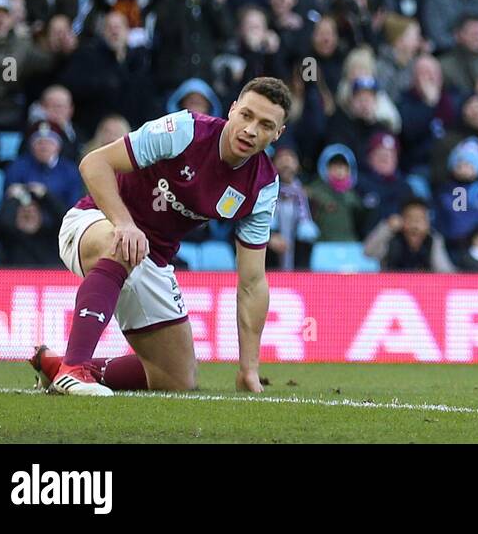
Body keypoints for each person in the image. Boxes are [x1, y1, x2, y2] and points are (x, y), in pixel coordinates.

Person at [28, 78, 292, 396]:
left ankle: (59, 365)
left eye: (265, 124)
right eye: (246, 115)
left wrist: (249, 368)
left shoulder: (262, 186)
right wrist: (123, 223)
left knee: (177, 379)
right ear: (233, 110)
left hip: (153, 258)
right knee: (123, 243)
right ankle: (73, 369)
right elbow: (94, 163)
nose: (250, 130)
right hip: (96, 221)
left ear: (278, 133)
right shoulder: (185, 130)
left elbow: (252, 283)